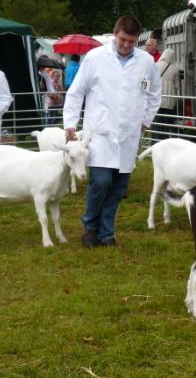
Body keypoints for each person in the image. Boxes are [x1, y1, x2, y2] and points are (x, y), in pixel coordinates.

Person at [63, 15, 161, 248]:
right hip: (100, 133)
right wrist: (70, 123)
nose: (126, 45)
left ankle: (106, 233)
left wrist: (145, 121)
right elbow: (76, 91)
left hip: (128, 135)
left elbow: (154, 94)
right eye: (122, 40)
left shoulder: (146, 62)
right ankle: (90, 225)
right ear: (115, 34)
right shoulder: (96, 58)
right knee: (101, 182)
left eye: (132, 41)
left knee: (118, 187)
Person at [154, 48, 179, 140]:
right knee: (167, 125)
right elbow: (176, 86)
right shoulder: (175, 69)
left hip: (157, 100)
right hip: (169, 101)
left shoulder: (155, 66)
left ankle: (155, 143)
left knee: (157, 125)